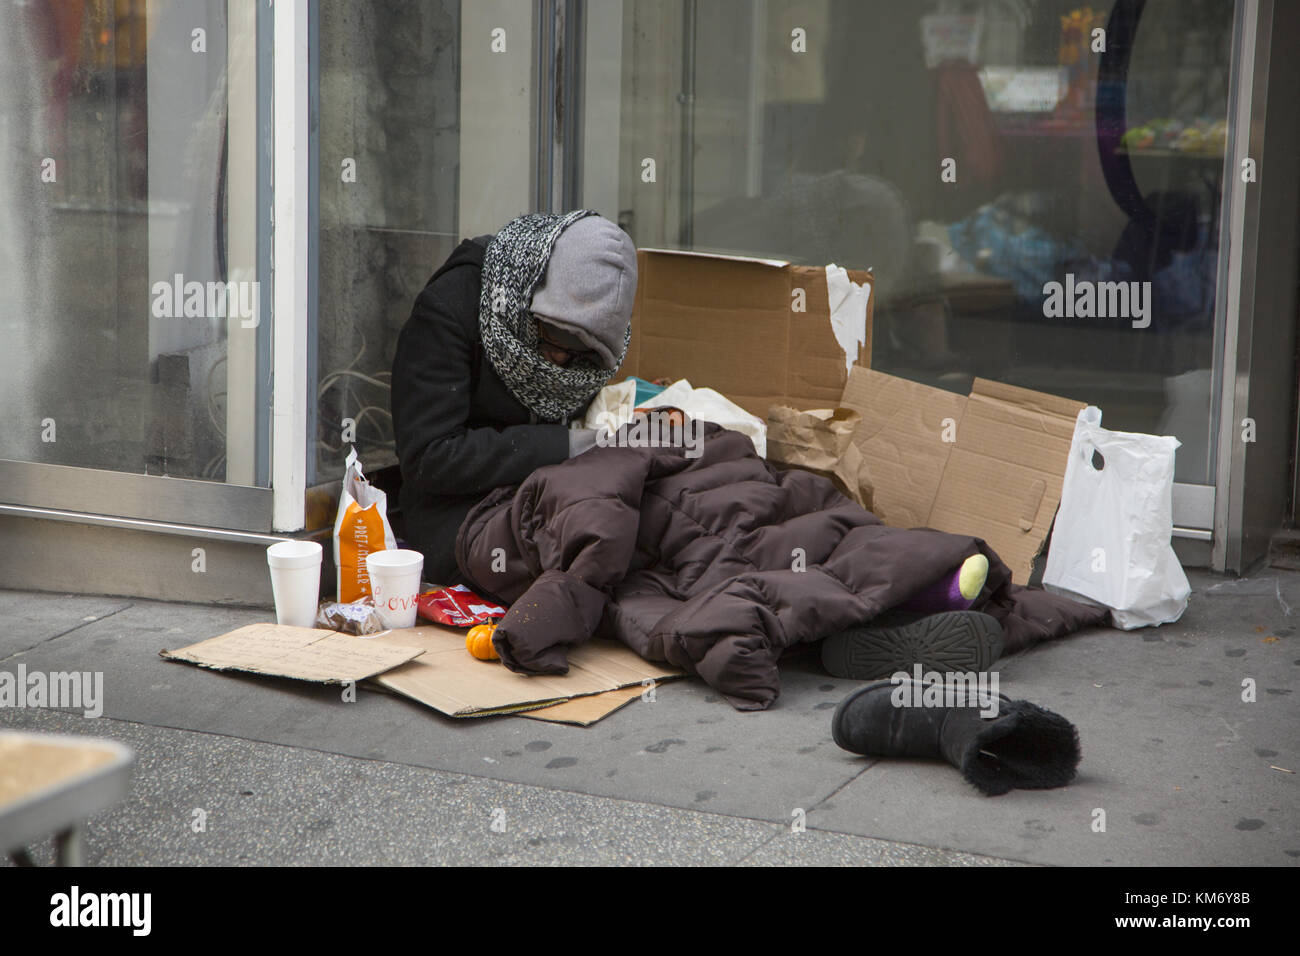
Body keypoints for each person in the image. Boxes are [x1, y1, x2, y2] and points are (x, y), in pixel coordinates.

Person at [390, 210, 636, 585]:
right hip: (457, 511)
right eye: (554, 338)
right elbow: (428, 456)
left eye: (581, 354)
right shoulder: (451, 308)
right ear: (531, 295)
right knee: (584, 556)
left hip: (554, 490)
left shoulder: (581, 350)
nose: (559, 361)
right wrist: (564, 445)